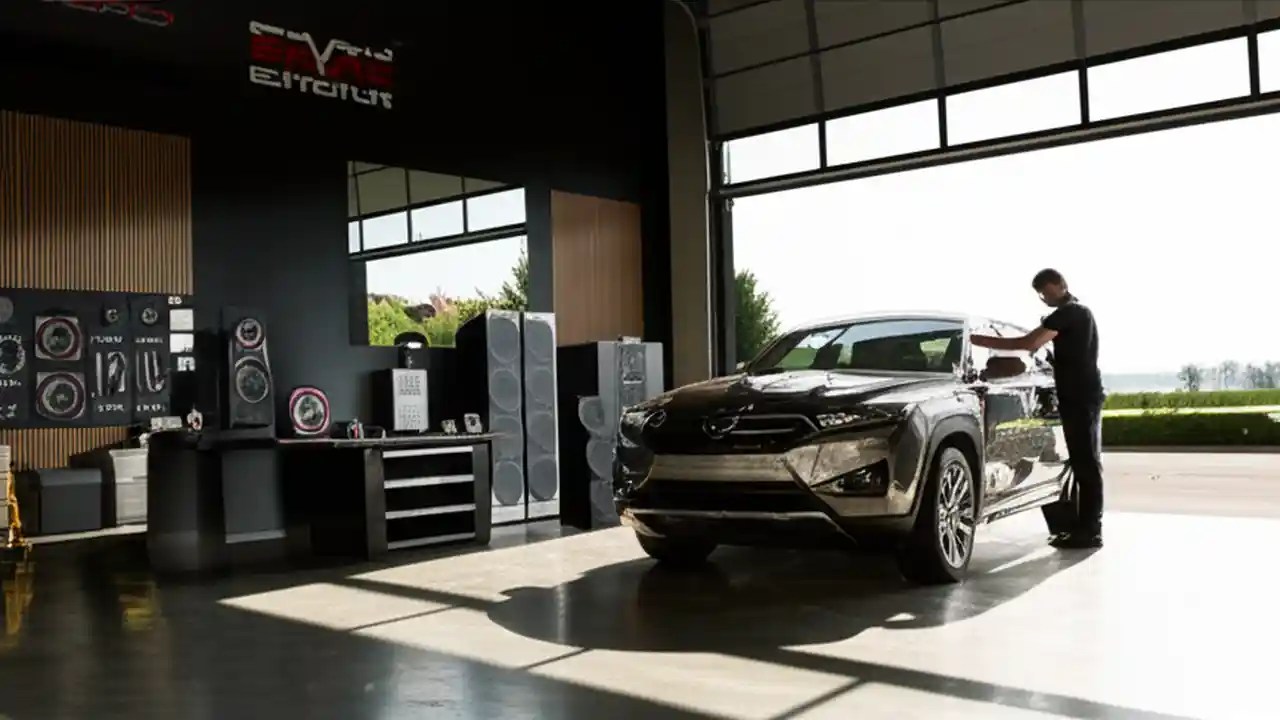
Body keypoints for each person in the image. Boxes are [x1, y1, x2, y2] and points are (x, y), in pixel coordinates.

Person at [969, 268, 1104, 549]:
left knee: (1086, 464)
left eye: (1046, 292)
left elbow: (1028, 343)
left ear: (1061, 285)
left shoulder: (1070, 312)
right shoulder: (1079, 314)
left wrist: (980, 341)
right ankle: (1083, 527)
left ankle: (1091, 531)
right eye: (1040, 294)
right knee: (1083, 462)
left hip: (1080, 397)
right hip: (1081, 396)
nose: (1043, 298)